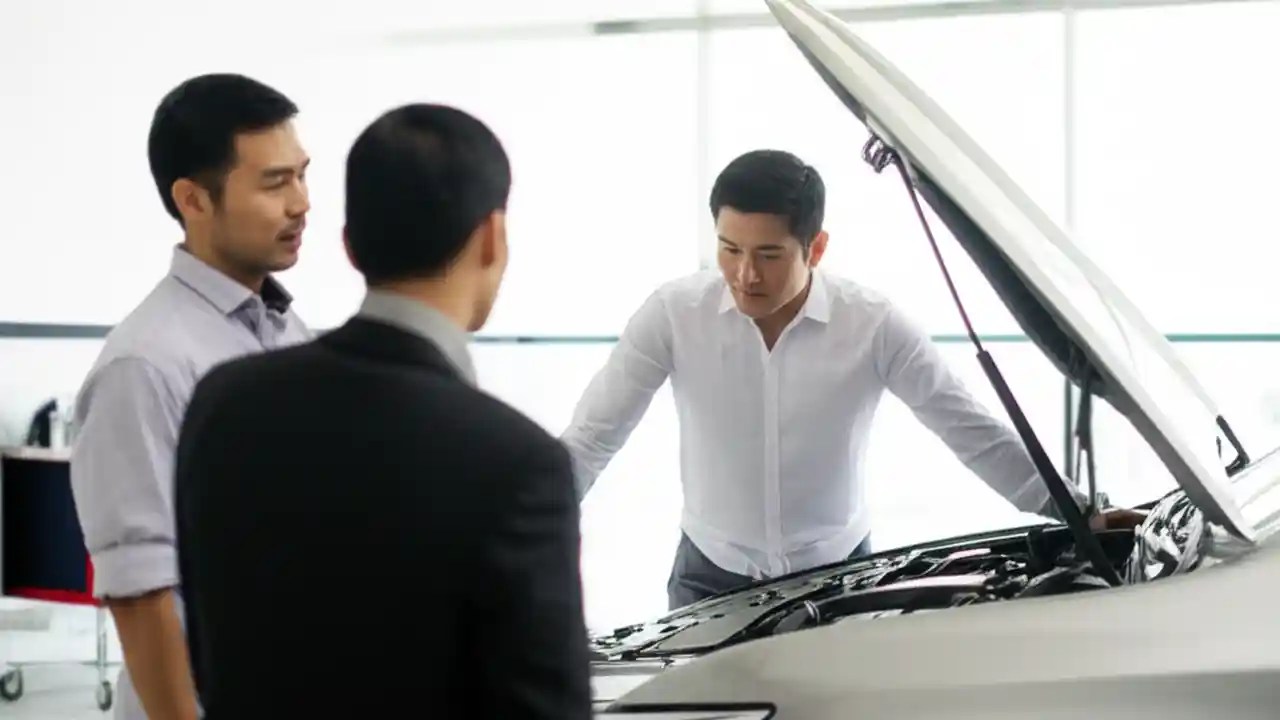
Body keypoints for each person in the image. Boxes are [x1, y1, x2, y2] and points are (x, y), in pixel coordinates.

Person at [562, 148, 1145, 610]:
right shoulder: (672, 314)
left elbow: (972, 430)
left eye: (768, 254)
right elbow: (592, 437)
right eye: (728, 248)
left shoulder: (873, 324)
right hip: (707, 580)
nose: (744, 275)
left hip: (839, 581)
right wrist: (512, 523)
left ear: (815, 247)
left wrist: (1080, 511)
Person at [172, 103, 591, 718]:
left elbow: (208, 659)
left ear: (350, 245)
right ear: (493, 236)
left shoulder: (223, 404)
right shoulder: (516, 464)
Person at [67, 73, 312, 719]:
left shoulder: (285, 329)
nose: (301, 203)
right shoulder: (143, 364)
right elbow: (140, 592)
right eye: (274, 183)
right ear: (193, 200)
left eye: (301, 176)